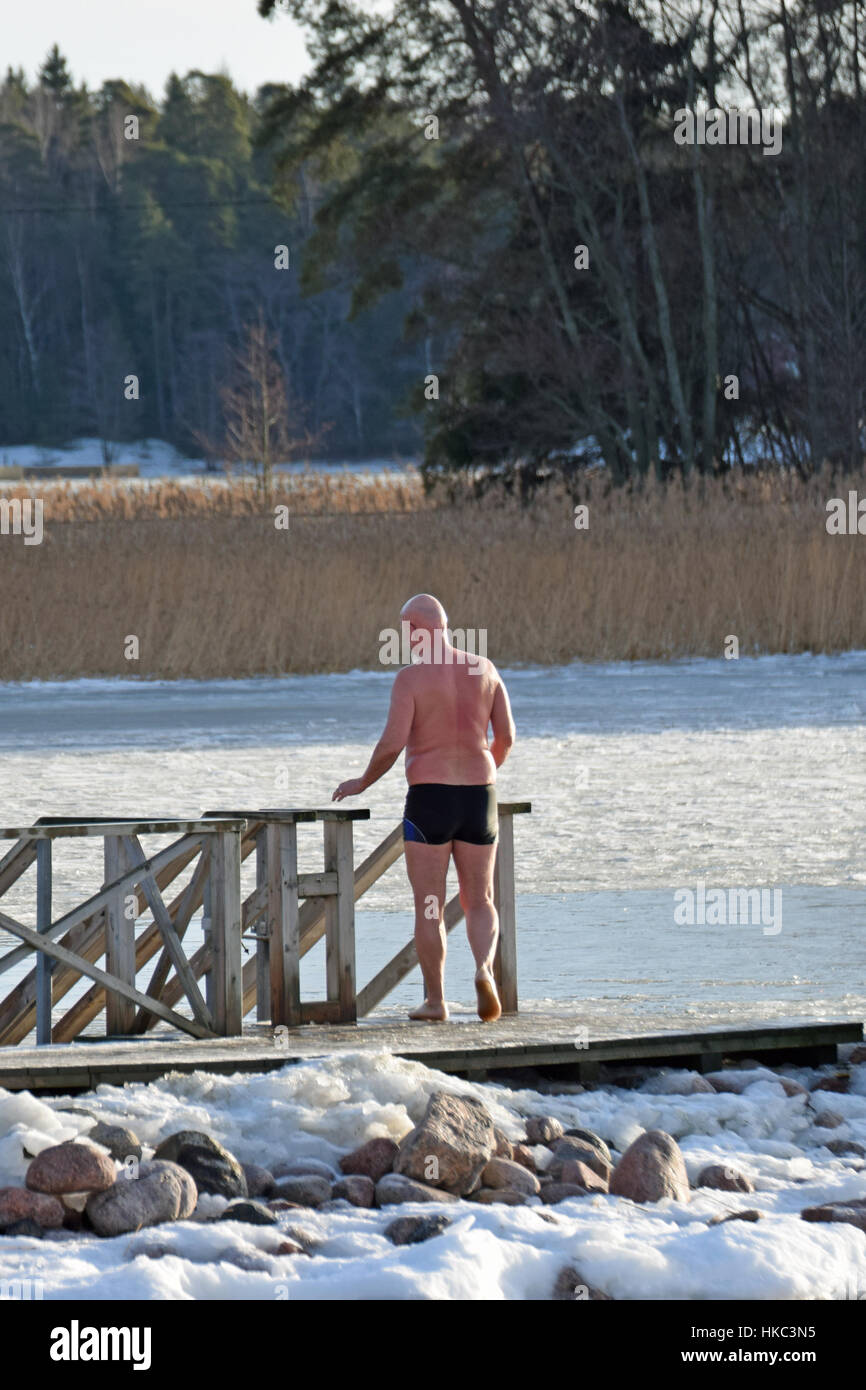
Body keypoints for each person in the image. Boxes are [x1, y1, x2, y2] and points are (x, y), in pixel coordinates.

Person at [332, 593, 515, 1022]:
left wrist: (362, 782)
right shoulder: (484, 670)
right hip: (478, 795)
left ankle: (435, 1002)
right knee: (480, 899)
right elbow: (505, 738)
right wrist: (483, 772)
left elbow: (393, 744)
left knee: (429, 903)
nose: (404, 639)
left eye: (405, 630)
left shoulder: (411, 679)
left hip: (430, 796)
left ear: (418, 629)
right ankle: (484, 968)